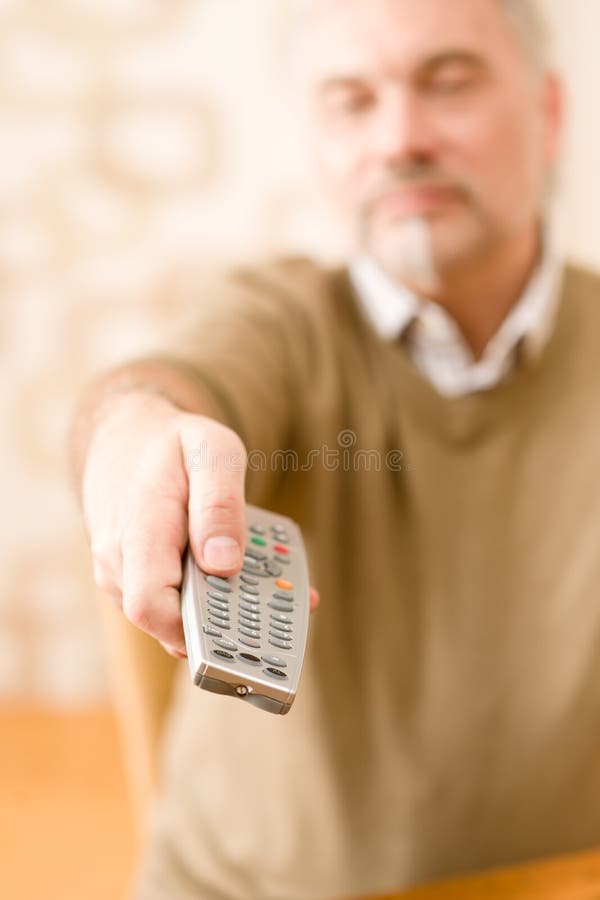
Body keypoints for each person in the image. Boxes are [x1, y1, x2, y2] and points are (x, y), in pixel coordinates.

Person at [69, 1, 600, 898]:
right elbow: (167, 385)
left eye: (449, 84)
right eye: (351, 101)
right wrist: (131, 432)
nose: (400, 139)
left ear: (548, 113)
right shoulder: (280, 324)